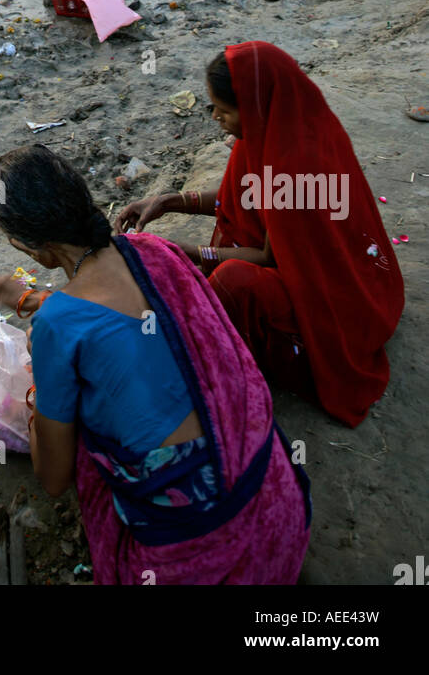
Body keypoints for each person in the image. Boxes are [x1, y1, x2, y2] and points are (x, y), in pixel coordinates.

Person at [0, 146, 311, 586]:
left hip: (206, 563)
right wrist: (38, 300)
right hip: (280, 517)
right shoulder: (154, 249)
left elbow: (54, 477)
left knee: (80, 435)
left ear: (27, 246)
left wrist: (41, 386)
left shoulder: (56, 327)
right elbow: (131, 317)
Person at [117, 43, 405, 429]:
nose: (217, 118)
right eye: (213, 107)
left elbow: (272, 258)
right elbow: (240, 200)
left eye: (224, 109)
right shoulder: (270, 130)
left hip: (323, 293)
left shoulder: (297, 166)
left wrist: (194, 253)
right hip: (294, 259)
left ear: (254, 106)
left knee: (230, 283)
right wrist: (169, 201)